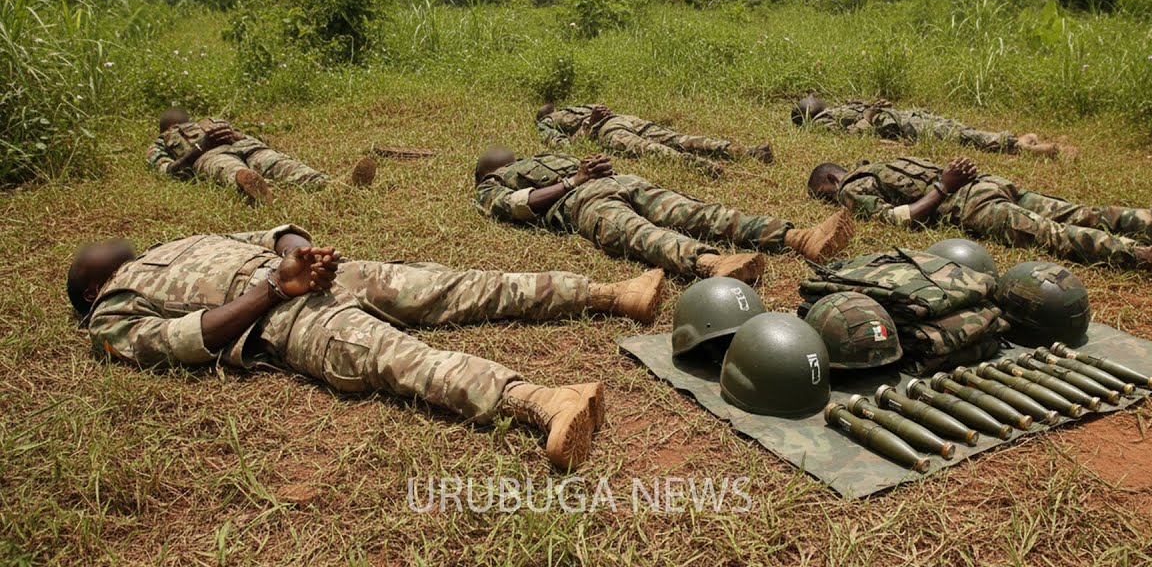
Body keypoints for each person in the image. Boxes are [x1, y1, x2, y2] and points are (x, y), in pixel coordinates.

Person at [67, 225, 666, 469]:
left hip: (316, 280)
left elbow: (276, 232)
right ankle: (545, 402)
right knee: (398, 358)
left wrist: (307, 254)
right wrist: (276, 288)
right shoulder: (109, 313)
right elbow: (188, 340)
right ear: (91, 289)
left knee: (461, 286)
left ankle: (613, 294)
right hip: (280, 317)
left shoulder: (186, 238)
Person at [807, 155, 1152, 299]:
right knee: (1080, 212)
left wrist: (943, 186)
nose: (833, 201)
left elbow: (900, 220)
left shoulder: (852, 185)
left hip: (968, 200)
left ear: (830, 180)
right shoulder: (884, 161)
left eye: (825, 196)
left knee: (1056, 233)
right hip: (990, 182)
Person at [474, 147, 854, 283]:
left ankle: (795, 237)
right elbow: (517, 206)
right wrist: (574, 181)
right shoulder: (490, 186)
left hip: (619, 182)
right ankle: (710, 262)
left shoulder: (541, 156)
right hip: (581, 203)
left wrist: (595, 167)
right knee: (637, 233)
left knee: (699, 212)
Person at [146, 107, 376, 204]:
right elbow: (168, 171)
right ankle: (252, 184)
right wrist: (200, 148)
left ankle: (337, 185)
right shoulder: (160, 142)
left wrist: (236, 135)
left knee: (280, 163)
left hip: (245, 146)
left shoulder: (211, 122)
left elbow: (264, 143)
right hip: (207, 155)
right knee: (227, 168)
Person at [536, 102, 773, 175]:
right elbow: (570, 146)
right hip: (603, 129)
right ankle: (703, 166)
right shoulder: (548, 123)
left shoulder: (575, 106)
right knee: (648, 148)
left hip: (624, 119)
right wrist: (590, 122)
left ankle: (742, 152)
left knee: (678, 138)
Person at [792, 96, 1068, 157]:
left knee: (955, 127)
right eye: (804, 101)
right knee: (957, 135)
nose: (809, 97)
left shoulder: (835, 109)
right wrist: (870, 114)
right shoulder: (821, 123)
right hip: (898, 126)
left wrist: (868, 104)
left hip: (903, 117)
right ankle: (1025, 148)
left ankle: (1016, 140)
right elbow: (856, 133)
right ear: (806, 114)